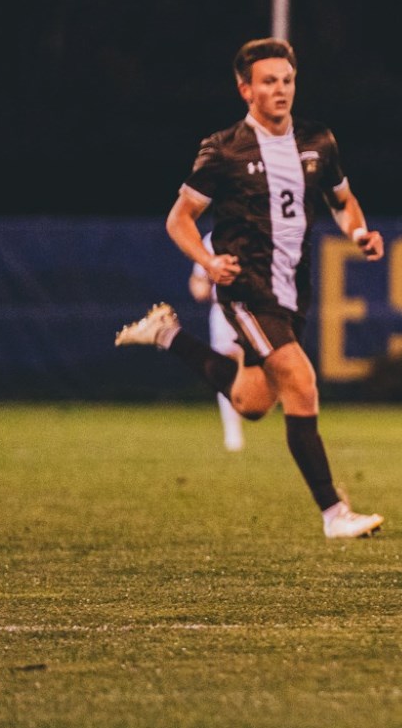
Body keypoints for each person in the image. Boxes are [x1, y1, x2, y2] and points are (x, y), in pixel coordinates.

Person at [114, 38, 387, 539]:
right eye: (268, 81)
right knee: (301, 380)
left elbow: (343, 200)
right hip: (246, 287)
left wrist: (358, 234)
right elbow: (180, 221)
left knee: (253, 401)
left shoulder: (318, 141)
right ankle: (334, 513)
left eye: (286, 80)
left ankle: (167, 335)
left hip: (291, 290)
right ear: (246, 89)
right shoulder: (223, 149)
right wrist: (208, 260)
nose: (280, 89)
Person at [187, 238, 246, 452]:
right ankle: (232, 429)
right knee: (226, 368)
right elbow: (198, 280)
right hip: (225, 311)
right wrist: (202, 286)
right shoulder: (214, 239)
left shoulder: (265, 230)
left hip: (260, 309)